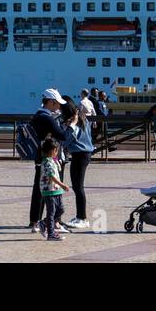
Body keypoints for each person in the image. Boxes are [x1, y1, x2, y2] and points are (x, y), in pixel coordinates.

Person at [27, 88, 70, 232]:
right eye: (57, 103)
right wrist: (70, 124)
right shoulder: (47, 117)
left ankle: (34, 221)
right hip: (48, 159)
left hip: (39, 157)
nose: (59, 106)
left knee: (37, 189)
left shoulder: (37, 115)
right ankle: (51, 222)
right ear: (51, 102)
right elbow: (62, 135)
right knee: (50, 191)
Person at [61, 97, 94, 229]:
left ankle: (82, 218)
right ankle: (80, 216)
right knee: (77, 186)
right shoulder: (83, 118)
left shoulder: (73, 121)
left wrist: (61, 145)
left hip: (79, 154)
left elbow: (67, 139)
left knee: (78, 187)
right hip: (84, 153)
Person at [38, 137, 69, 241]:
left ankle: (44, 223)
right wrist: (63, 185)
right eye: (56, 150)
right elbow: (51, 176)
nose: (57, 152)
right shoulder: (47, 162)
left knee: (60, 209)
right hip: (49, 190)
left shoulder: (52, 161)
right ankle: (51, 233)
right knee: (51, 212)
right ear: (52, 151)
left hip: (56, 190)